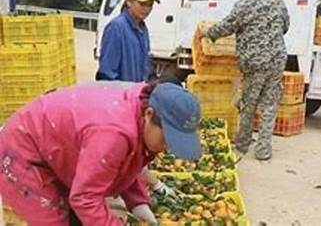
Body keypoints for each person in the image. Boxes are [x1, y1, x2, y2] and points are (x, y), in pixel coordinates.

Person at [0, 81, 201, 225]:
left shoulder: (143, 105)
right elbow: (85, 198)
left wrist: (138, 202)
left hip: (57, 148)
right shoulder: (113, 133)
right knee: (54, 219)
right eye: (167, 138)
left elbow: (128, 161)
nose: (166, 147)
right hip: (23, 151)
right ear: (149, 115)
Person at [200, 0, 289, 161]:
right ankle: (264, 149)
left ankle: (242, 145)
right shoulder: (278, 3)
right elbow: (285, 27)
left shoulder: (244, 5)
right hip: (277, 61)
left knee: (249, 104)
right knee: (269, 104)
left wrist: (208, 33)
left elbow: (227, 26)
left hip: (254, 62)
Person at [96, 0, 159, 82]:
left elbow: (146, 67)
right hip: (121, 95)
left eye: (150, 4)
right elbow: (107, 74)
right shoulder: (116, 28)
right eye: (142, 4)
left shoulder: (143, 29)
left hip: (136, 94)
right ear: (129, 2)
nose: (147, 9)